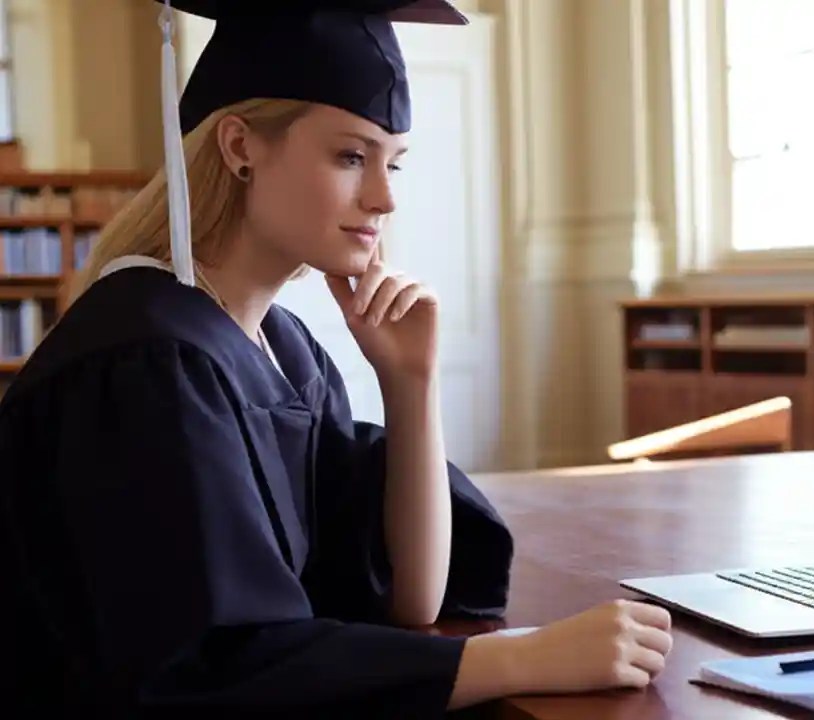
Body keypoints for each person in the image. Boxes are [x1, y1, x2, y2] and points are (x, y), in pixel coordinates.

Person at [0, 0, 673, 716]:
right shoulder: (147, 360)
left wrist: (409, 382)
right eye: (351, 156)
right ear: (239, 148)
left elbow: (410, 596)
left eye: (395, 163)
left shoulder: (282, 348)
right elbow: (209, 673)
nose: (383, 198)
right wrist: (525, 657)